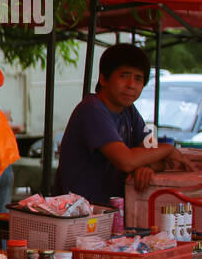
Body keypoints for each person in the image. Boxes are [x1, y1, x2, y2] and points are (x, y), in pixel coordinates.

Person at [56, 43, 183, 205]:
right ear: (103, 79)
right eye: (124, 75)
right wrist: (168, 149)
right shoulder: (92, 109)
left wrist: (146, 166)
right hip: (76, 214)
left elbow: (153, 154)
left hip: (109, 213)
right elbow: (126, 161)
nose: (131, 84)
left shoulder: (129, 111)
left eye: (138, 78)